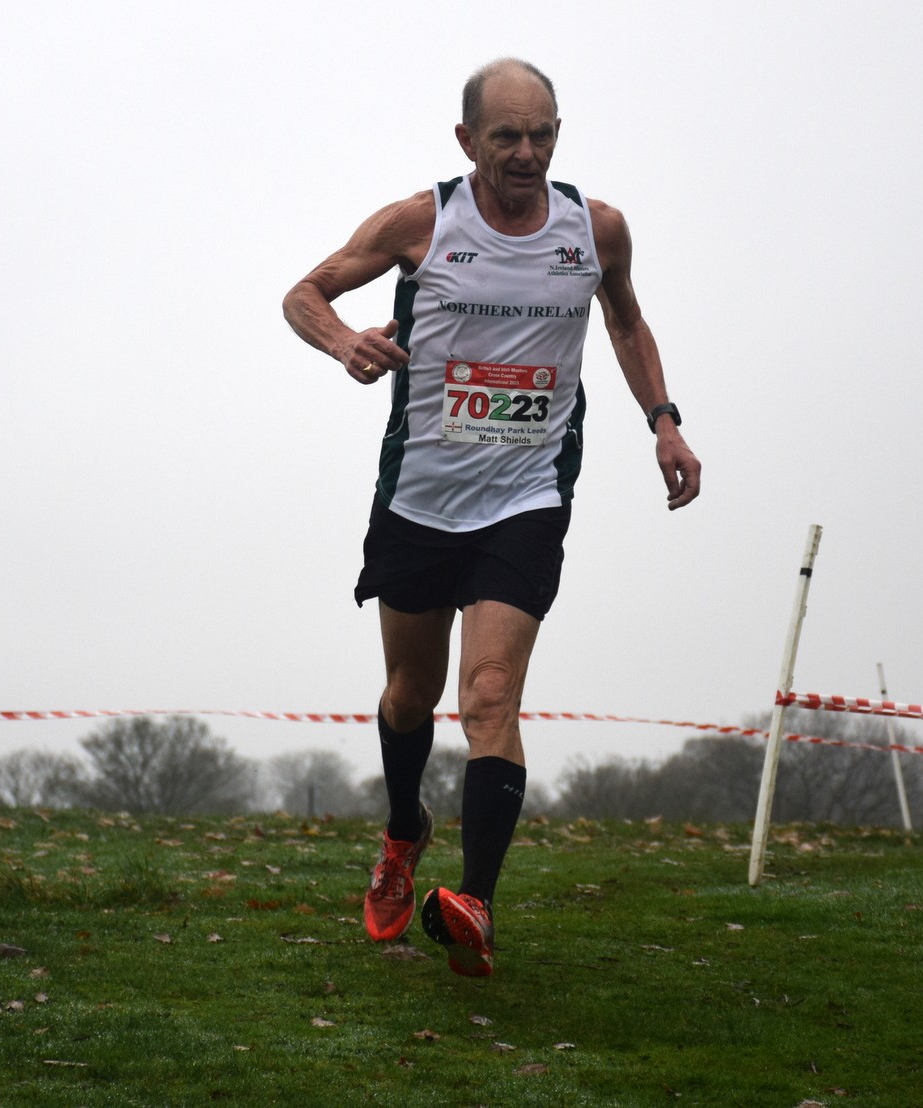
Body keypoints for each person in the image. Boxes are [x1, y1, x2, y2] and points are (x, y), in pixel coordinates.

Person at [281, 58, 700, 977]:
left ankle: (474, 902)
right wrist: (346, 342)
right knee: (409, 694)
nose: (525, 152)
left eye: (541, 134)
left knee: (490, 694)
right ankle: (404, 831)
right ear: (467, 139)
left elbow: (625, 322)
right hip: (421, 498)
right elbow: (304, 294)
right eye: (506, 136)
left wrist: (664, 420)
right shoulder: (422, 222)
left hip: (526, 496)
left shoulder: (595, 230)